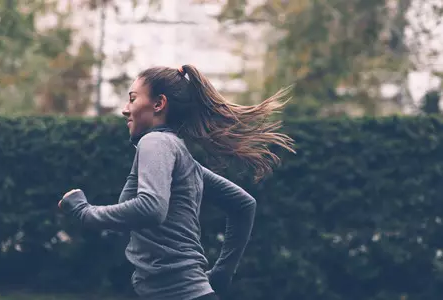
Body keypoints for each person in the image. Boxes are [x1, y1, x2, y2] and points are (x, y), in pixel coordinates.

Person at [58, 65, 295, 300]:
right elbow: (243, 204)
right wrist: (223, 271)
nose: (124, 109)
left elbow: (151, 208)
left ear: (159, 104)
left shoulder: (155, 142)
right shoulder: (181, 157)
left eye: (132, 98)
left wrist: (85, 212)